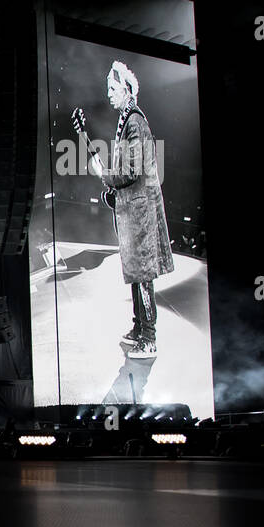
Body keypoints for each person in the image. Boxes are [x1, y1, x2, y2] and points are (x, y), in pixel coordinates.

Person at [71, 61, 174, 359]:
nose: (109, 94)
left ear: (127, 90)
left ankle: (149, 338)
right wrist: (112, 193)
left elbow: (130, 171)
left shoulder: (135, 123)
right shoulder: (126, 121)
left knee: (143, 276)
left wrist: (105, 176)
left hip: (140, 215)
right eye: (107, 89)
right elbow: (128, 174)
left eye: (113, 89)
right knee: (135, 272)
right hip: (133, 211)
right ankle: (139, 328)